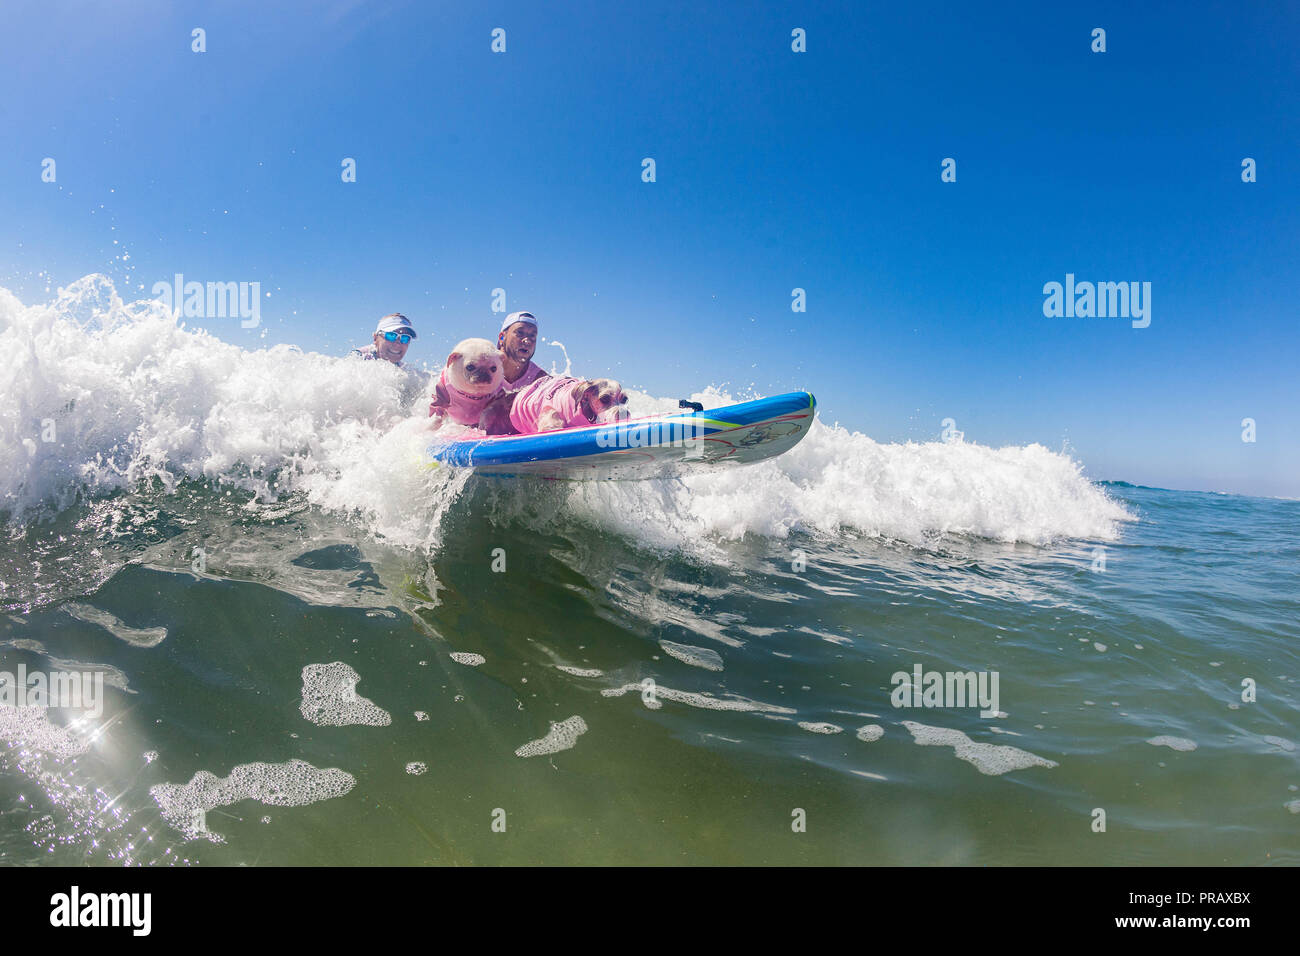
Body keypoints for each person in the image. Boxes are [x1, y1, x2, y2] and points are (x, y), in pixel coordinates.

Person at [496, 312, 548, 392]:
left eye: (532, 336)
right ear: (502, 337)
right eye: (520, 333)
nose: (527, 341)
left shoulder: (540, 381)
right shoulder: (481, 366)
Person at [352, 314, 417, 366]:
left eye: (405, 338)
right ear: (375, 338)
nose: (398, 344)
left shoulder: (405, 371)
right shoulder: (358, 358)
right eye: (391, 335)